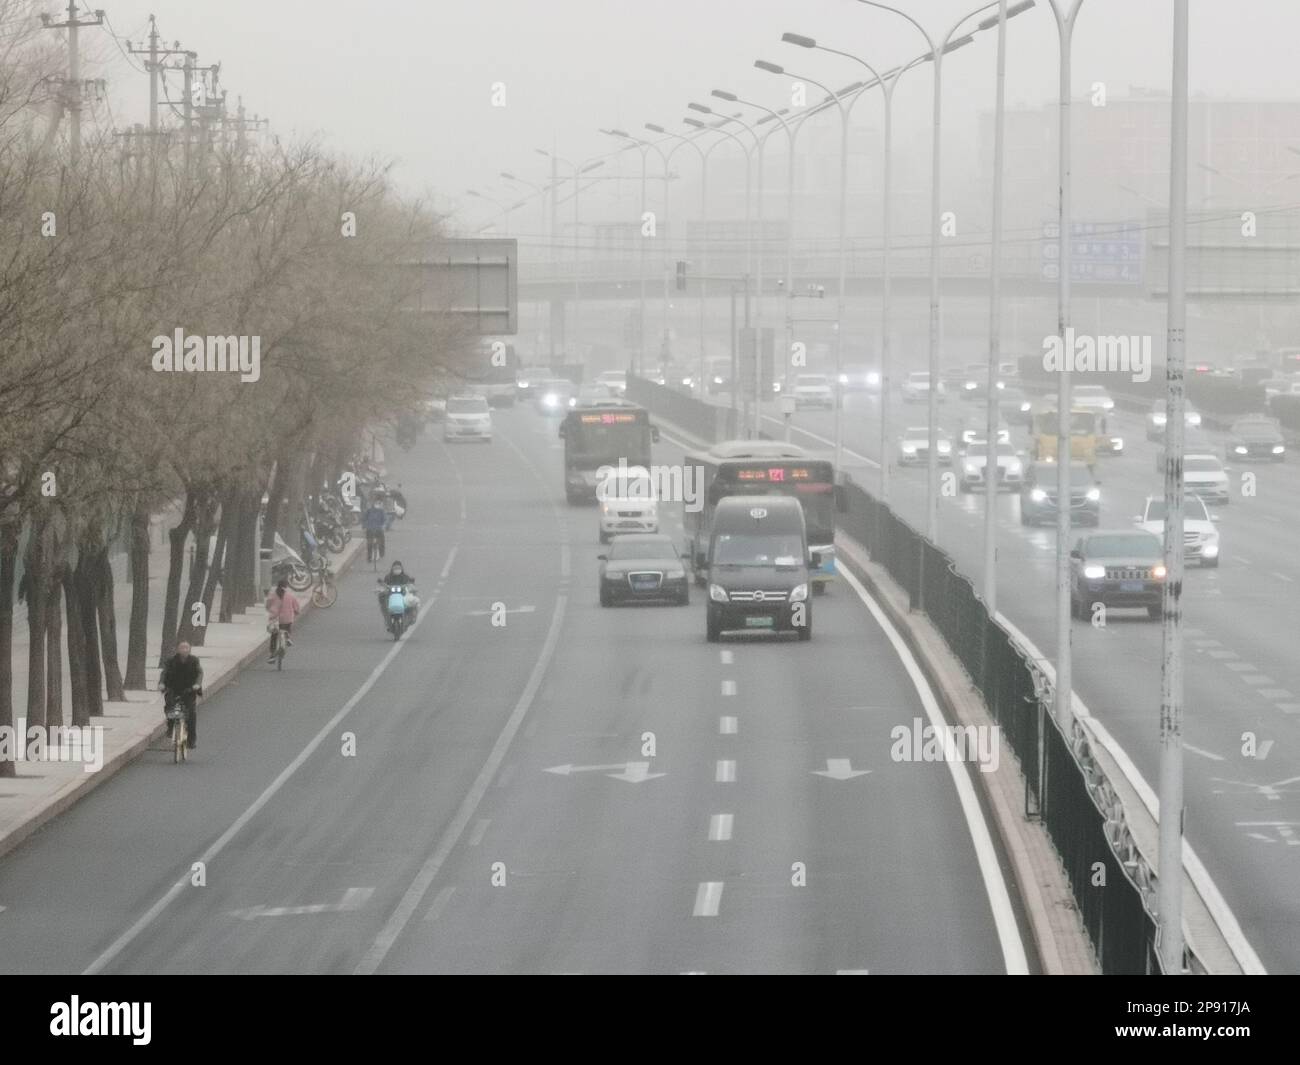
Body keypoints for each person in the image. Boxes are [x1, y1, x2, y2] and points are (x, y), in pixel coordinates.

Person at [160, 641, 203, 749]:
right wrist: (161, 683)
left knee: (191, 715)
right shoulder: (171, 661)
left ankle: (191, 740)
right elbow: (164, 673)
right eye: (182, 647)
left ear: (189, 649)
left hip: (189, 690)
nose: (184, 650)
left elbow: (199, 673)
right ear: (178, 649)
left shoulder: (194, 661)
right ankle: (170, 727)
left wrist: (197, 684)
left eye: (186, 647)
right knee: (170, 708)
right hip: (173, 689)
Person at [265, 579, 302, 662]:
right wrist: (296, 612)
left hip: (275, 620)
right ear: (286, 586)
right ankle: (287, 636)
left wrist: (269, 610)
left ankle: (272, 656)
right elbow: (297, 608)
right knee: (288, 625)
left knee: (274, 636)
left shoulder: (272, 595)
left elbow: (267, 605)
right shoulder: (290, 595)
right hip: (287, 619)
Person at [362, 494, 387, 560]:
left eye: (379, 503)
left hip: (376, 529)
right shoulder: (370, 510)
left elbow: (384, 520)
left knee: (379, 541)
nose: (378, 504)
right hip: (372, 529)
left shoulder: (381, 511)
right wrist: (364, 527)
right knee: (371, 543)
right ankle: (373, 555)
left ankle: (379, 553)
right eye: (377, 503)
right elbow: (364, 519)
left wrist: (384, 525)